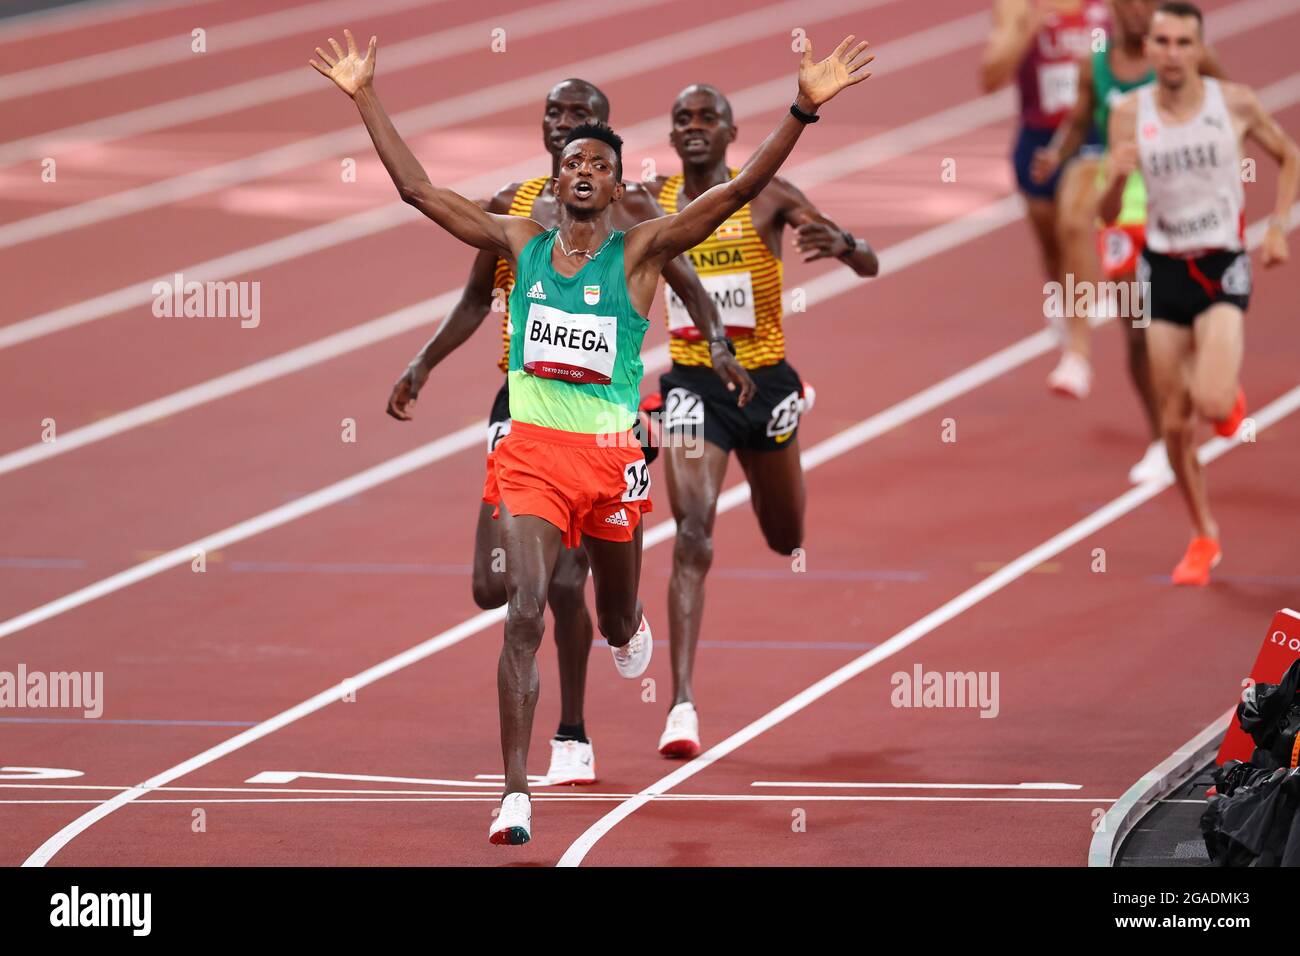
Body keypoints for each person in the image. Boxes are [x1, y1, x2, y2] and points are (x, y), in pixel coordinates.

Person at [311, 27, 873, 842]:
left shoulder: (642, 251)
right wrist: (365, 97)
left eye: (599, 165)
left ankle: (630, 628)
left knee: (612, 620)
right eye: (572, 161)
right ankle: (514, 793)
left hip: (612, 462)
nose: (583, 171)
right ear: (556, 177)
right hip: (533, 453)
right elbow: (421, 193)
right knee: (524, 609)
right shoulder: (517, 238)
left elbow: (741, 187)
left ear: (616, 188)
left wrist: (802, 109)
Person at [382, 79, 751, 789]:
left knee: (573, 583)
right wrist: (422, 363)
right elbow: (465, 286)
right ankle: (577, 686)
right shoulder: (517, 213)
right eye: (555, 119)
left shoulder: (635, 213)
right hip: (523, 413)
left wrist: (716, 343)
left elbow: (694, 272)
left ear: (609, 155)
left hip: (607, 427)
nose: (565, 132)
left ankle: (571, 734)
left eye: (582, 125)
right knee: (496, 589)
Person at [641, 83, 878, 758]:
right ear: (670, 135)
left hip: (766, 386)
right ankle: (681, 704)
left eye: (706, 118)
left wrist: (847, 243)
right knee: (691, 528)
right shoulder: (649, 203)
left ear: (731, 131)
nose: (693, 127)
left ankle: (794, 403)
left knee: (785, 538)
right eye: (681, 118)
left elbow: (869, 264)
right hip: (694, 385)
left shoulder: (769, 197)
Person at [1099, 1, 1297, 585]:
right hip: (1163, 271)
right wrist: (1113, 175)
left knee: (1212, 405)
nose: (1173, 53)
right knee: (1176, 422)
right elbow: (1109, 214)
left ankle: (1226, 398)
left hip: (1221, 266)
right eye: (1163, 42)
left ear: (1200, 48)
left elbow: (1288, 156)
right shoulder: (1128, 113)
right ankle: (1203, 535)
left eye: (1185, 43)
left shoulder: (1232, 103)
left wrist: (1279, 225)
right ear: (1150, 47)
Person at [1031, 0, 1222, 484]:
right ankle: (1160, 436)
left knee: (1191, 323)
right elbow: (1077, 124)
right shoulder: (1094, 66)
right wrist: (1055, 156)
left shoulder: (1187, 59)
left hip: (1183, 208)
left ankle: (1209, 396)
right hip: (1126, 211)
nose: (1139, 13)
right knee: (1137, 330)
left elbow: (1233, 106)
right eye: (1128, 3)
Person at [982, 0, 1111, 397]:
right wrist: (1027, 28)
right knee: (1054, 248)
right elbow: (989, 77)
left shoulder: (1107, 8)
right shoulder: (1018, 6)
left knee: (1075, 226)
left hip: (1090, 137)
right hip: (1037, 141)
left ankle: (1078, 352)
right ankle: (1067, 305)